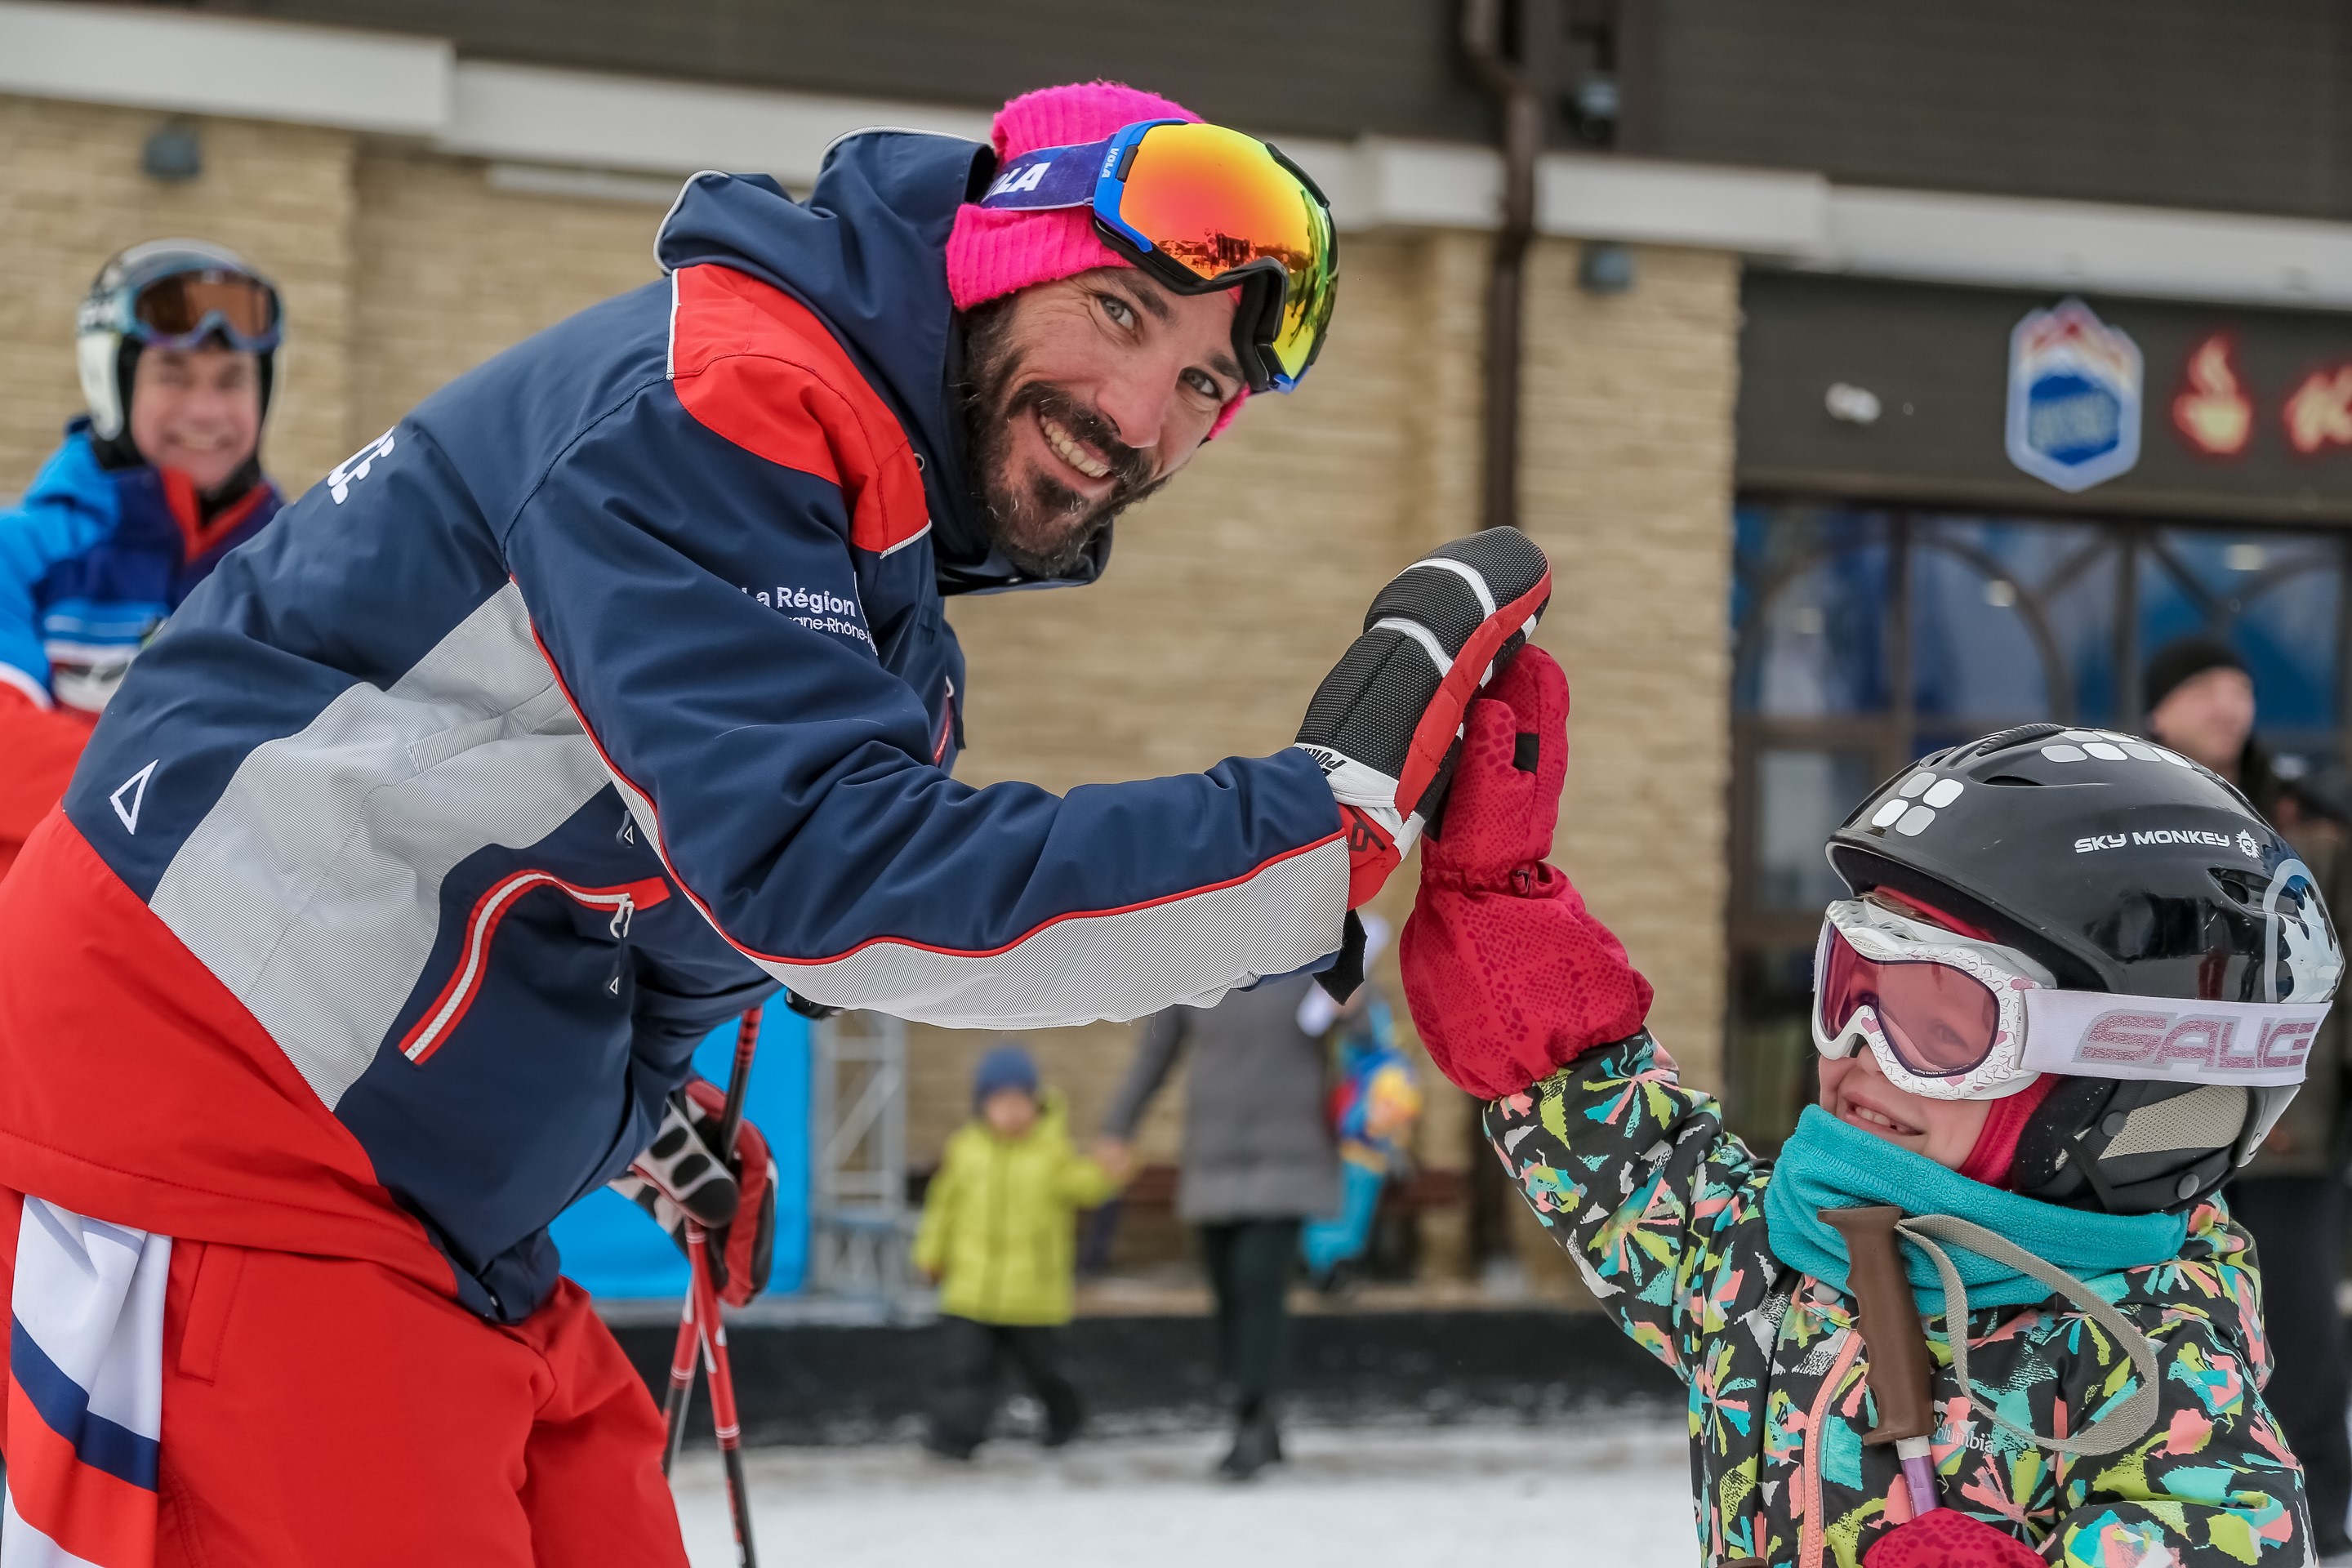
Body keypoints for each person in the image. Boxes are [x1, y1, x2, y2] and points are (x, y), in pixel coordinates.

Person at [0, 76, 1552, 1566]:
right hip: (215, 1143)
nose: (1139, 414)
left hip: (420, 1194)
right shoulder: (728, 399)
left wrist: (633, 1116)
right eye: (1119, 310)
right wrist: (1319, 825)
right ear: (992, 261)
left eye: (1207, 383)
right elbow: (827, 876)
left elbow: (586, 836)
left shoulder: (875, 566)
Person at [1401, 649, 2336, 1567]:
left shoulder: (2152, 1362)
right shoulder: (1775, 1262)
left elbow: (2227, 1534)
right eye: (1848, 983)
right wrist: (1496, 906)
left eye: (1938, 1022)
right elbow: (1614, 1143)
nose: (1857, 1051)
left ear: (2123, 1089)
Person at [2145, 633, 2352, 1557]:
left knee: (2303, 1327)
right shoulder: (2122, 815)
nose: (2229, 706)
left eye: (2240, 689)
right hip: (2150, 1129)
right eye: (2205, 689)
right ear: (2161, 709)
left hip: (2291, 1129)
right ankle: (2168, 1496)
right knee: (2165, 1317)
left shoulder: (2309, 825)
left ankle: (2320, 1515)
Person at [0, 240, 285, 879]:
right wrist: (224, 800)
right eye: (174, 377)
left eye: (232, 379)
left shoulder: (297, 573)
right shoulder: (18, 553)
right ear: (114, 383)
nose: (207, 411)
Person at [1102, 968, 1342, 1479]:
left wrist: (1356, 1004)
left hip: (1289, 1159)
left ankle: (1251, 1417)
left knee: (1258, 1282)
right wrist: (1117, 1128)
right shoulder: (1193, 958)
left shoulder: (1313, 954)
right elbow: (1156, 1053)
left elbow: (1369, 1035)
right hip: (1213, 1159)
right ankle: (1259, 1413)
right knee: (1228, 1290)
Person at [913, 1041, 1129, 1459]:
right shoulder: (966, 1149)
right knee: (963, 1369)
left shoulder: (1052, 1152)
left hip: (1034, 1293)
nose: (1011, 1113)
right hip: (970, 1289)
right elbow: (943, 1206)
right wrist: (930, 1253)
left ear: (1036, 1104)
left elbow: (1083, 1186)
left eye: (1020, 1102)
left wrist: (1108, 1172)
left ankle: (1064, 1421)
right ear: (983, 1106)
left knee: (1045, 1370)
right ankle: (954, 1438)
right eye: (1001, 1102)